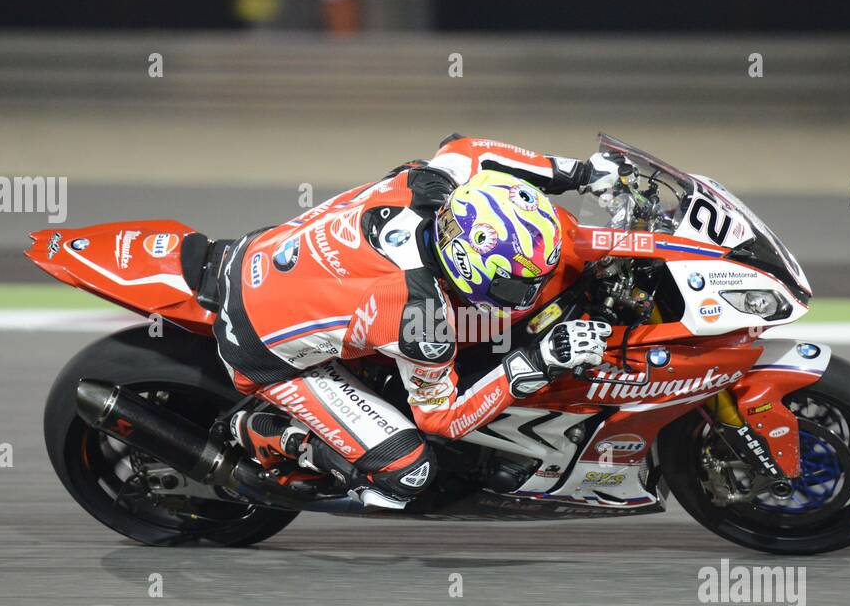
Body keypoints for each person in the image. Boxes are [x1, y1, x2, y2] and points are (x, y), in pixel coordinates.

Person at [213, 134, 624, 508]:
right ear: (466, 263)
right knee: (406, 474)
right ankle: (270, 435)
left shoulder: (426, 186)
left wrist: (582, 173)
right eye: (514, 287)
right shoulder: (421, 314)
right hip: (256, 345)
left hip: (255, 255)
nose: (527, 296)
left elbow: (469, 148)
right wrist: (538, 361)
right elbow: (442, 418)